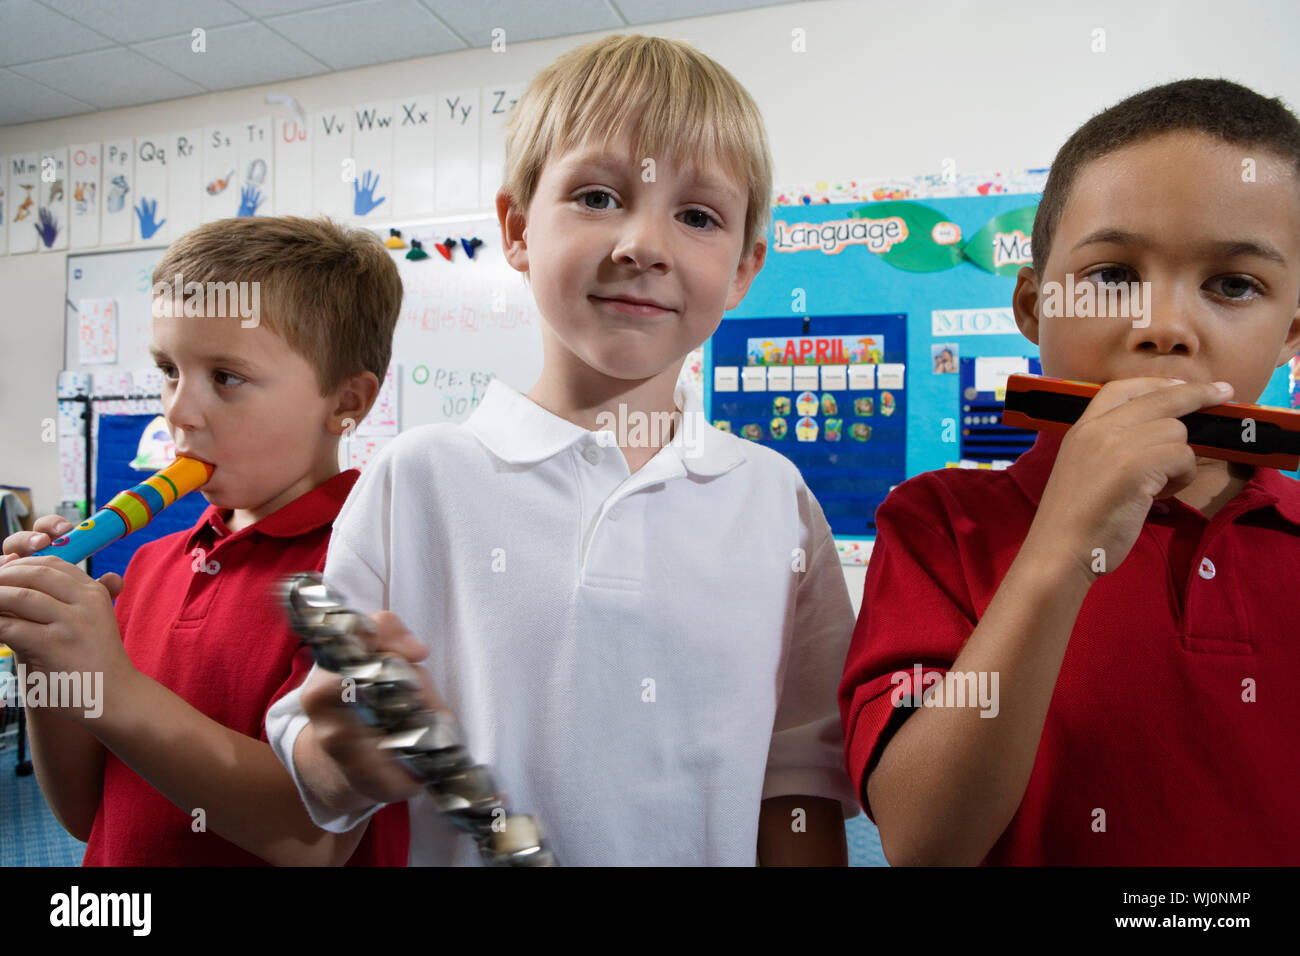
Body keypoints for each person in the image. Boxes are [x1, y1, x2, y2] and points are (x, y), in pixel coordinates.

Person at [266, 34, 859, 866]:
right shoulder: (417, 479)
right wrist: (343, 758)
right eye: (596, 196)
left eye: (697, 216)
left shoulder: (775, 497)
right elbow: (314, 747)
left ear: (743, 269)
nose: (643, 245)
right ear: (515, 228)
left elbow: (799, 777)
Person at [840, 78, 1300, 865]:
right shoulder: (940, 521)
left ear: (1291, 331)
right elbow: (926, 841)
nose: (1163, 327)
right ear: (1032, 308)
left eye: (1232, 284)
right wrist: (1060, 548)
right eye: (1113, 275)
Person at [0, 216, 409, 865]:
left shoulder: (369, 567)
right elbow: (84, 814)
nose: (177, 410)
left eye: (226, 377)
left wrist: (112, 687)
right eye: (169, 370)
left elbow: (313, 841)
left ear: (346, 401)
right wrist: (45, 648)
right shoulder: (150, 564)